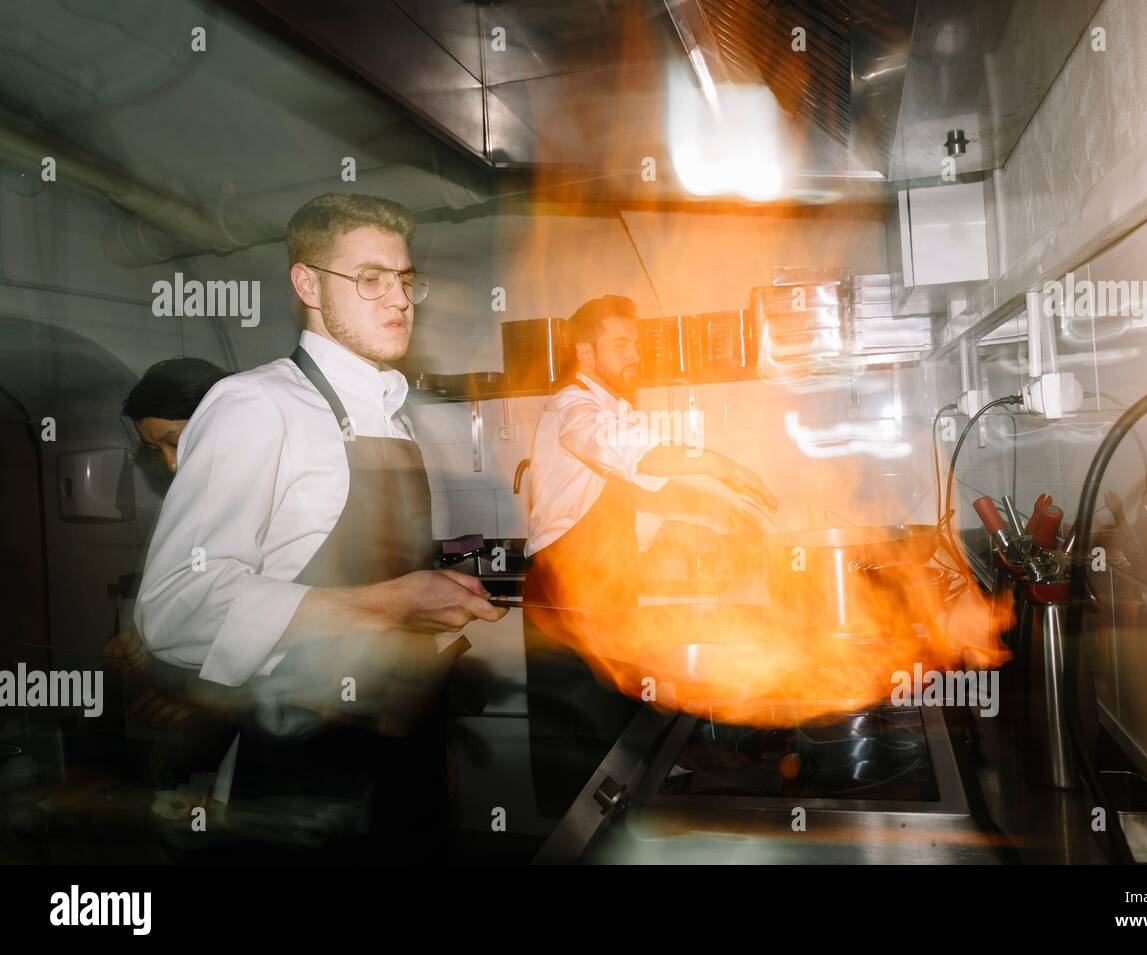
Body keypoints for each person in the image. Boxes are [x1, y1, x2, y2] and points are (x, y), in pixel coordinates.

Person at [134, 192, 506, 860]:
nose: (399, 300)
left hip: (405, 738)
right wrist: (386, 601)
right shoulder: (256, 404)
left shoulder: (393, 411)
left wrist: (435, 596)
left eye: (404, 279)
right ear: (307, 283)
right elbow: (174, 607)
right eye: (369, 279)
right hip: (304, 768)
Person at [523, 294, 776, 816]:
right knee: (580, 736)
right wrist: (710, 464)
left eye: (636, 343)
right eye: (620, 344)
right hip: (566, 598)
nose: (634, 354)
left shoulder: (615, 407)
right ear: (586, 351)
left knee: (620, 726)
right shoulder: (574, 406)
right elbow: (615, 448)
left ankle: (623, 824)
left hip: (608, 590)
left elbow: (609, 502)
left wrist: (674, 529)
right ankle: (569, 843)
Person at [105, 358, 232, 736]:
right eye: (154, 449)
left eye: (175, 443)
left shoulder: (284, 495)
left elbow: (286, 631)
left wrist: (213, 702)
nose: (171, 464)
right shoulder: (191, 499)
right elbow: (204, 592)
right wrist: (145, 633)